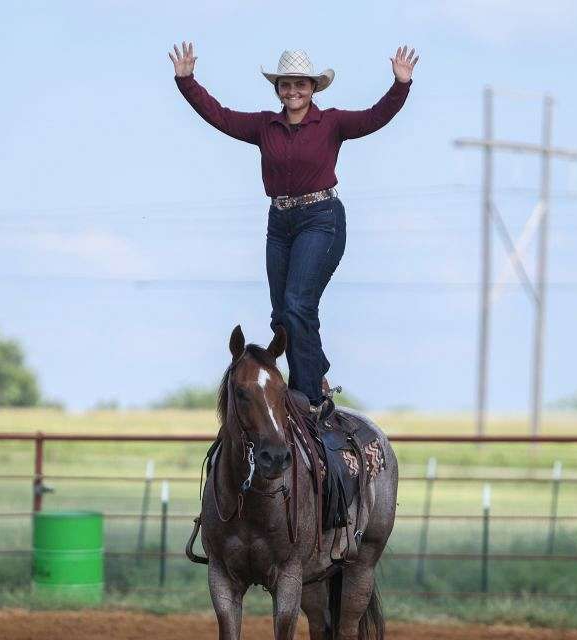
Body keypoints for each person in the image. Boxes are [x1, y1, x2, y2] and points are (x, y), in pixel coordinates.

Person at [170, 43, 419, 410]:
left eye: (300, 84)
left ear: (313, 88)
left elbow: (374, 117)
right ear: (278, 89)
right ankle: (316, 373)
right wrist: (187, 80)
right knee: (283, 317)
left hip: (321, 218)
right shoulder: (263, 126)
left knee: (298, 304)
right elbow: (219, 116)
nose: (293, 91)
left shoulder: (332, 122)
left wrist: (400, 84)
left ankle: (309, 398)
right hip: (280, 223)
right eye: (285, 85)